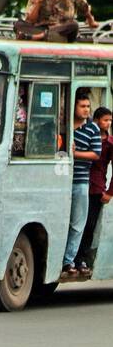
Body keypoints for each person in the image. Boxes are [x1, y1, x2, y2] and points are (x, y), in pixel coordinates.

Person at [64, 90, 101, 275]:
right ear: (74, 106)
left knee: (78, 224)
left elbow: (95, 154)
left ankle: (68, 261)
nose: (86, 110)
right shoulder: (64, 124)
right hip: (60, 182)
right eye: (83, 106)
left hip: (80, 182)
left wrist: (75, 153)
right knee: (61, 222)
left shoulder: (93, 129)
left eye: (88, 106)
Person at [77, 105, 113, 271]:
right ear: (97, 120)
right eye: (105, 120)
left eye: (110, 120)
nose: (108, 123)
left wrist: (110, 192)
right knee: (77, 223)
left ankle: (82, 258)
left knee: (90, 225)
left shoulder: (110, 143)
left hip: (97, 188)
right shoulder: (85, 134)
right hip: (80, 182)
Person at [15, 0, 97, 42]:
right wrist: (38, 3)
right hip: (41, 28)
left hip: (64, 30)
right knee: (18, 25)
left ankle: (38, 37)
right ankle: (45, 37)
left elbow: (85, 8)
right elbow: (30, 20)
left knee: (74, 25)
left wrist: (91, 20)